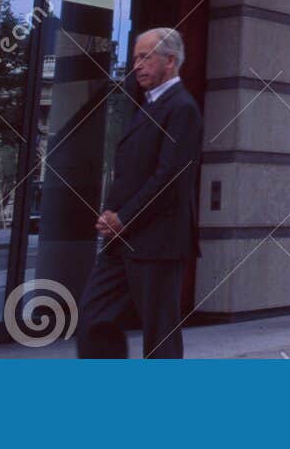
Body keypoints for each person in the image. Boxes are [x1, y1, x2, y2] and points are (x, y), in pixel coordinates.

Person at [76, 26, 202, 358]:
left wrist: (124, 218)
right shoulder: (146, 105)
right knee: (94, 318)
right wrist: (111, 214)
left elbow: (170, 178)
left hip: (157, 240)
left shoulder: (182, 108)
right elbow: (132, 173)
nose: (137, 66)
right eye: (135, 59)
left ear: (170, 61)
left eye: (146, 58)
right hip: (122, 238)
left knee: (160, 336)